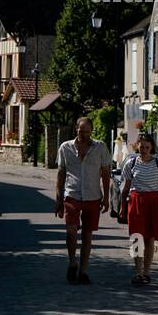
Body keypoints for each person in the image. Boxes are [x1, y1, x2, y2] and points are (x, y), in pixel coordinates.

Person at [55, 116, 111, 284]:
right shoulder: (65, 148)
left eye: (87, 132)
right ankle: (72, 261)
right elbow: (60, 174)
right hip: (72, 195)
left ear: (91, 131)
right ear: (76, 129)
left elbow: (106, 174)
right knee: (71, 231)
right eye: (81, 131)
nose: (83, 135)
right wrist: (58, 199)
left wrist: (107, 198)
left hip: (93, 196)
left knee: (88, 235)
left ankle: (83, 271)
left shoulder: (100, 147)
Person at [119, 132, 158, 285]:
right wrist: (123, 204)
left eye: (147, 147)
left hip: (154, 202)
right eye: (141, 146)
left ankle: (147, 272)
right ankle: (137, 272)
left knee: (150, 238)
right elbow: (126, 187)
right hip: (136, 202)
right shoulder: (131, 163)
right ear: (137, 146)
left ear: (152, 148)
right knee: (136, 238)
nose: (144, 149)